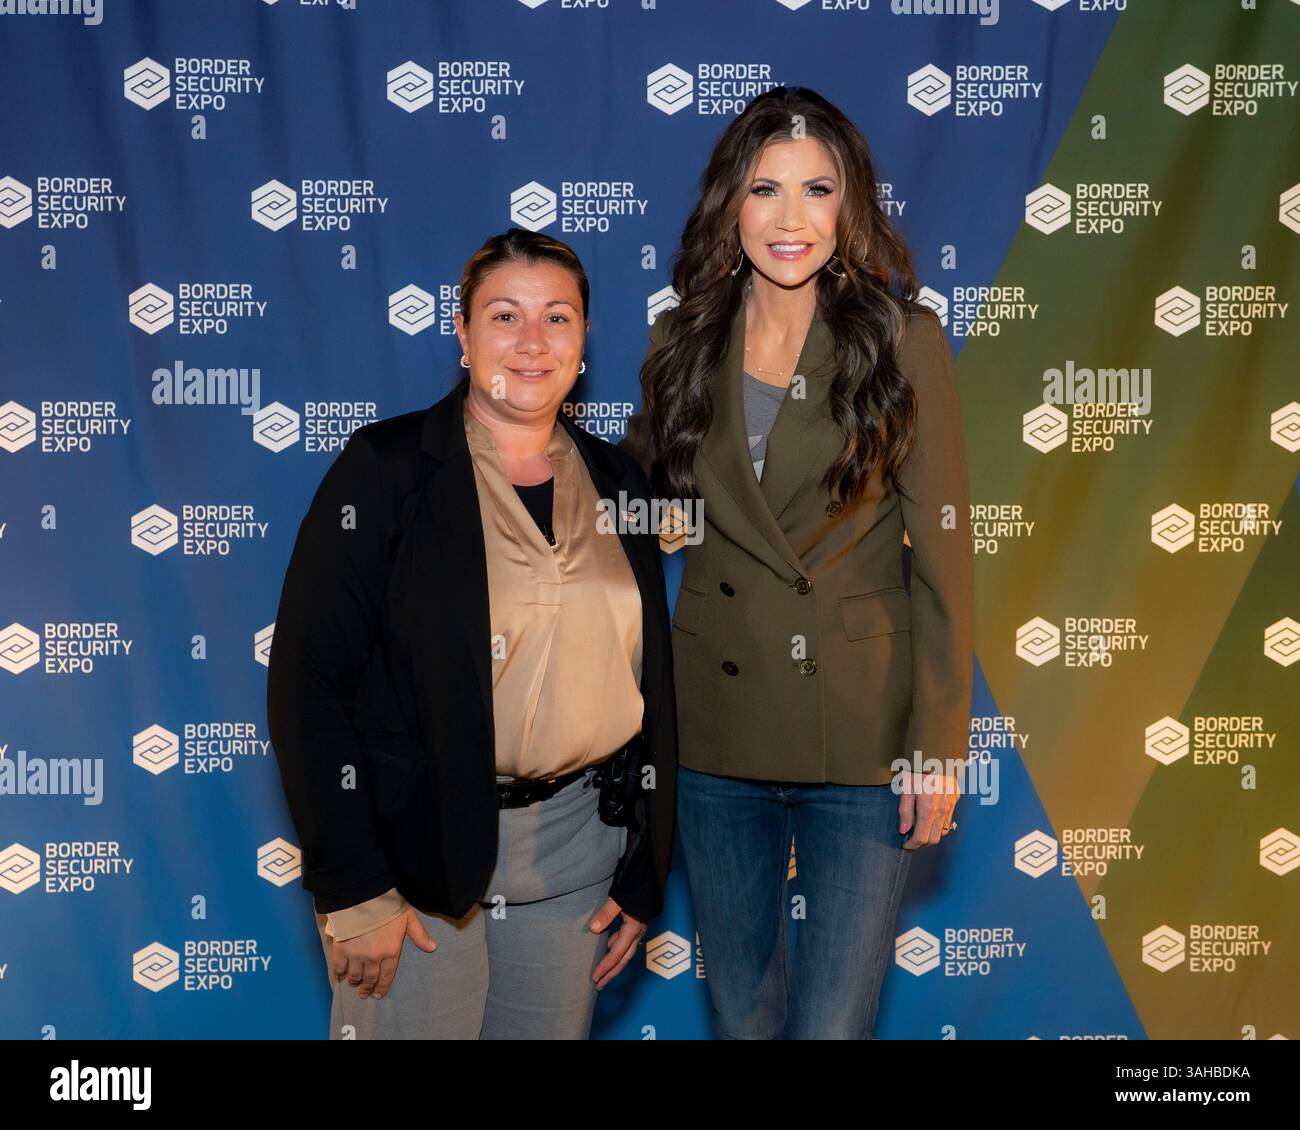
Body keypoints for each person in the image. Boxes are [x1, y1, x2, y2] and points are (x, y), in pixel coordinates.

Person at [620, 86, 974, 1039]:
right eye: (764, 188)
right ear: (729, 207)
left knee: (831, 1025)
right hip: (716, 724)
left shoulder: (905, 341)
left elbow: (944, 555)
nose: (789, 219)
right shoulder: (681, 339)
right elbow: (639, 505)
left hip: (861, 727)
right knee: (739, 1015)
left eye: (816, 190)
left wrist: (938, 747)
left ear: (848, 206)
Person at [267, 228, 677, 1039]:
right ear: (461, 333)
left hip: (575, 868)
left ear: (585, 340)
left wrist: (645, 867)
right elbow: (308, 683)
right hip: (413, 862)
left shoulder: (619, 479)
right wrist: (353, 885)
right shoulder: (385, 470)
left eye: (557, 318)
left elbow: (650, 681)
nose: (532, 342)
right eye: (504, 316)